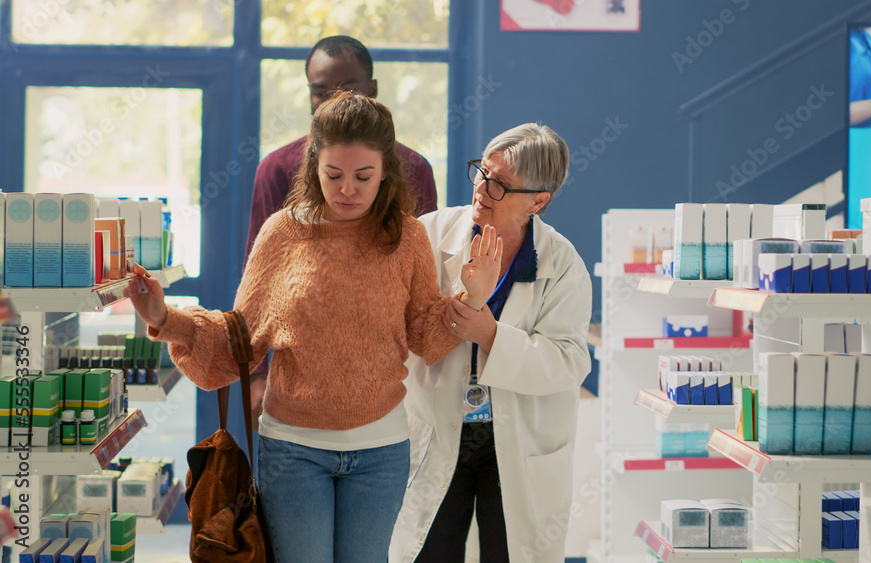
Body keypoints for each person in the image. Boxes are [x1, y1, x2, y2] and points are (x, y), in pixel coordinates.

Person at [130, 91, 502, 563]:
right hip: (293, 449)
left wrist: (474, 294)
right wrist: (164, 318)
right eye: (334, 175)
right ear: (314, 167)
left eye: (363, 176)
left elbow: (426, 334)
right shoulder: (283, 233)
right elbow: (238, 339)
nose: (348, 188)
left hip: (382, 450)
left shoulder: (407, 236)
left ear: (385, 170)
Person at [389, 124, 592, 563]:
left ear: (539, 201)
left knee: (509, 552)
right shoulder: (429, 235)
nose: (483, 188)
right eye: (482, 172)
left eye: (500, 185)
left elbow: (570, 360)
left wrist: (491, 335)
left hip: (514, 440)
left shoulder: (562, 265)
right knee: (427, 551)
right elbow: (399, 327)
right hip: (439, 428)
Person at [245, 35, 440, 424]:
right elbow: (258, 290)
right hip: (297, 390)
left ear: (372, 90)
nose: (348, 189)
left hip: (389, 384)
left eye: (346, 88)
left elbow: (425, 288)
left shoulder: (415, 170)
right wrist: (256, 374)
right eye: (320, 92)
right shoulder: (277, 168)